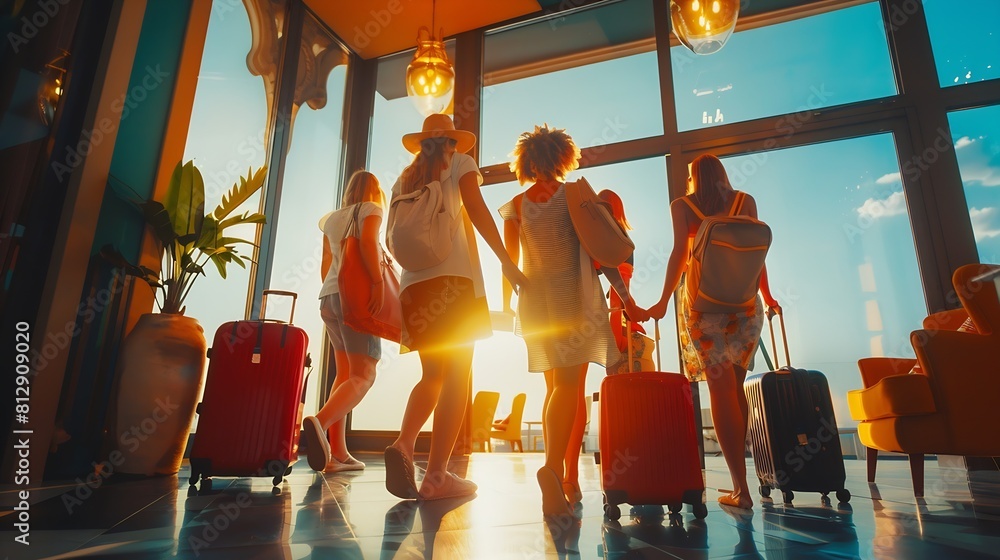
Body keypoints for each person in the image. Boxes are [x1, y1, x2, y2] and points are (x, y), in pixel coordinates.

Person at [500, 124, 643, 516]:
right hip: (573, 302)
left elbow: (508, 265)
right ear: (563, 156)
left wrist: (503, 306)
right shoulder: (577, 196)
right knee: (569, 387)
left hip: (535, 306)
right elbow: (606, 254)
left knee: (557, 392)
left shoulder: (515, 206)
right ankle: (553, 470)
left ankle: (566, 476)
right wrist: (627, 300)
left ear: (526, 161)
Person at [384, 114, 527, 501]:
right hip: (454, 284)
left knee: (432, 375)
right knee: (458, 375)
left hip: (413, 286)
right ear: (450, 141)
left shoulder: (404, 178)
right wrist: (507, 262)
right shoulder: (459, 163)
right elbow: (477, 209)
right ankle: (436, 476)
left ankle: (403, 443)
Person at [648, 154, 779, 511]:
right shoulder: (744, 201)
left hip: (703, 307)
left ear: (693, 177)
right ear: (723, 175)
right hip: (746, 306)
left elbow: (679, 253)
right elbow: (756, 254)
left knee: (720, 393)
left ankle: (742, 490)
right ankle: (743, 483)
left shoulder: (683, 205)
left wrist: (661, 302)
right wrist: (767, 295)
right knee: (735, 392)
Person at [304, 170, 386, 473]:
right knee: (364, 375)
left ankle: (337, 453)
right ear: (375, 190)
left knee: (345, 376)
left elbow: (327, 264)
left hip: (329, 297)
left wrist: (335, 290)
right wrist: (377, 283)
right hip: (355, 299)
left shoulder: (331, 220)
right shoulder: (371, 210)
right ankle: (320, 422)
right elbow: (367, 244)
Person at [597, 189, 649, 375]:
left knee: (617, 307)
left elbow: (617, 299)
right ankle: (618, 343)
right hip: (622, 279)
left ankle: (617, 345)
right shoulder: (621, 235)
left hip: (619, 281)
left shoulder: (611, 235)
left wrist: (616, 341)